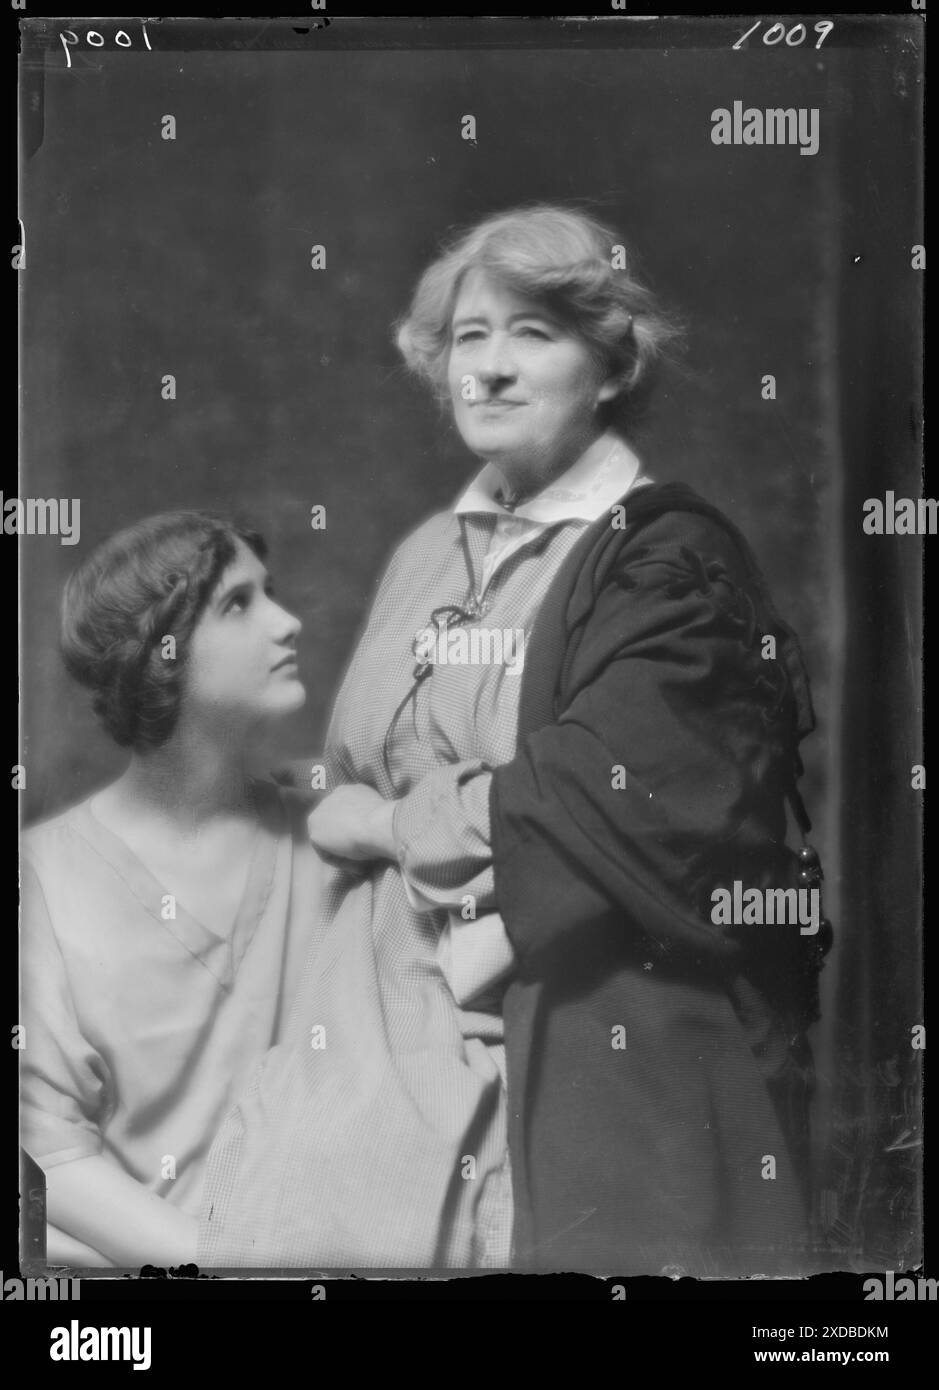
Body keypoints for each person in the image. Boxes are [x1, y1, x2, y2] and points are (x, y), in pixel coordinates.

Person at [198, 204, 827, 1274]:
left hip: (555, 1034)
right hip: (356, 1039)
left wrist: (390, 824)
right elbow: (356, 770)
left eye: (533, 335)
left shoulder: (666, 560)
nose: (486, 370)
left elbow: (601, 805)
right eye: (468, 338)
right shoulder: (424, 556)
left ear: (613, 365)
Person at [19, 511, 325, 1267]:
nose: (287, 624)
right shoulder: (43, 879)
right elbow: (51, 1163)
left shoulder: (327, 838)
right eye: (237, 605)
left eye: (270, 593)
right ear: (159, 653)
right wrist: (228, 1267)